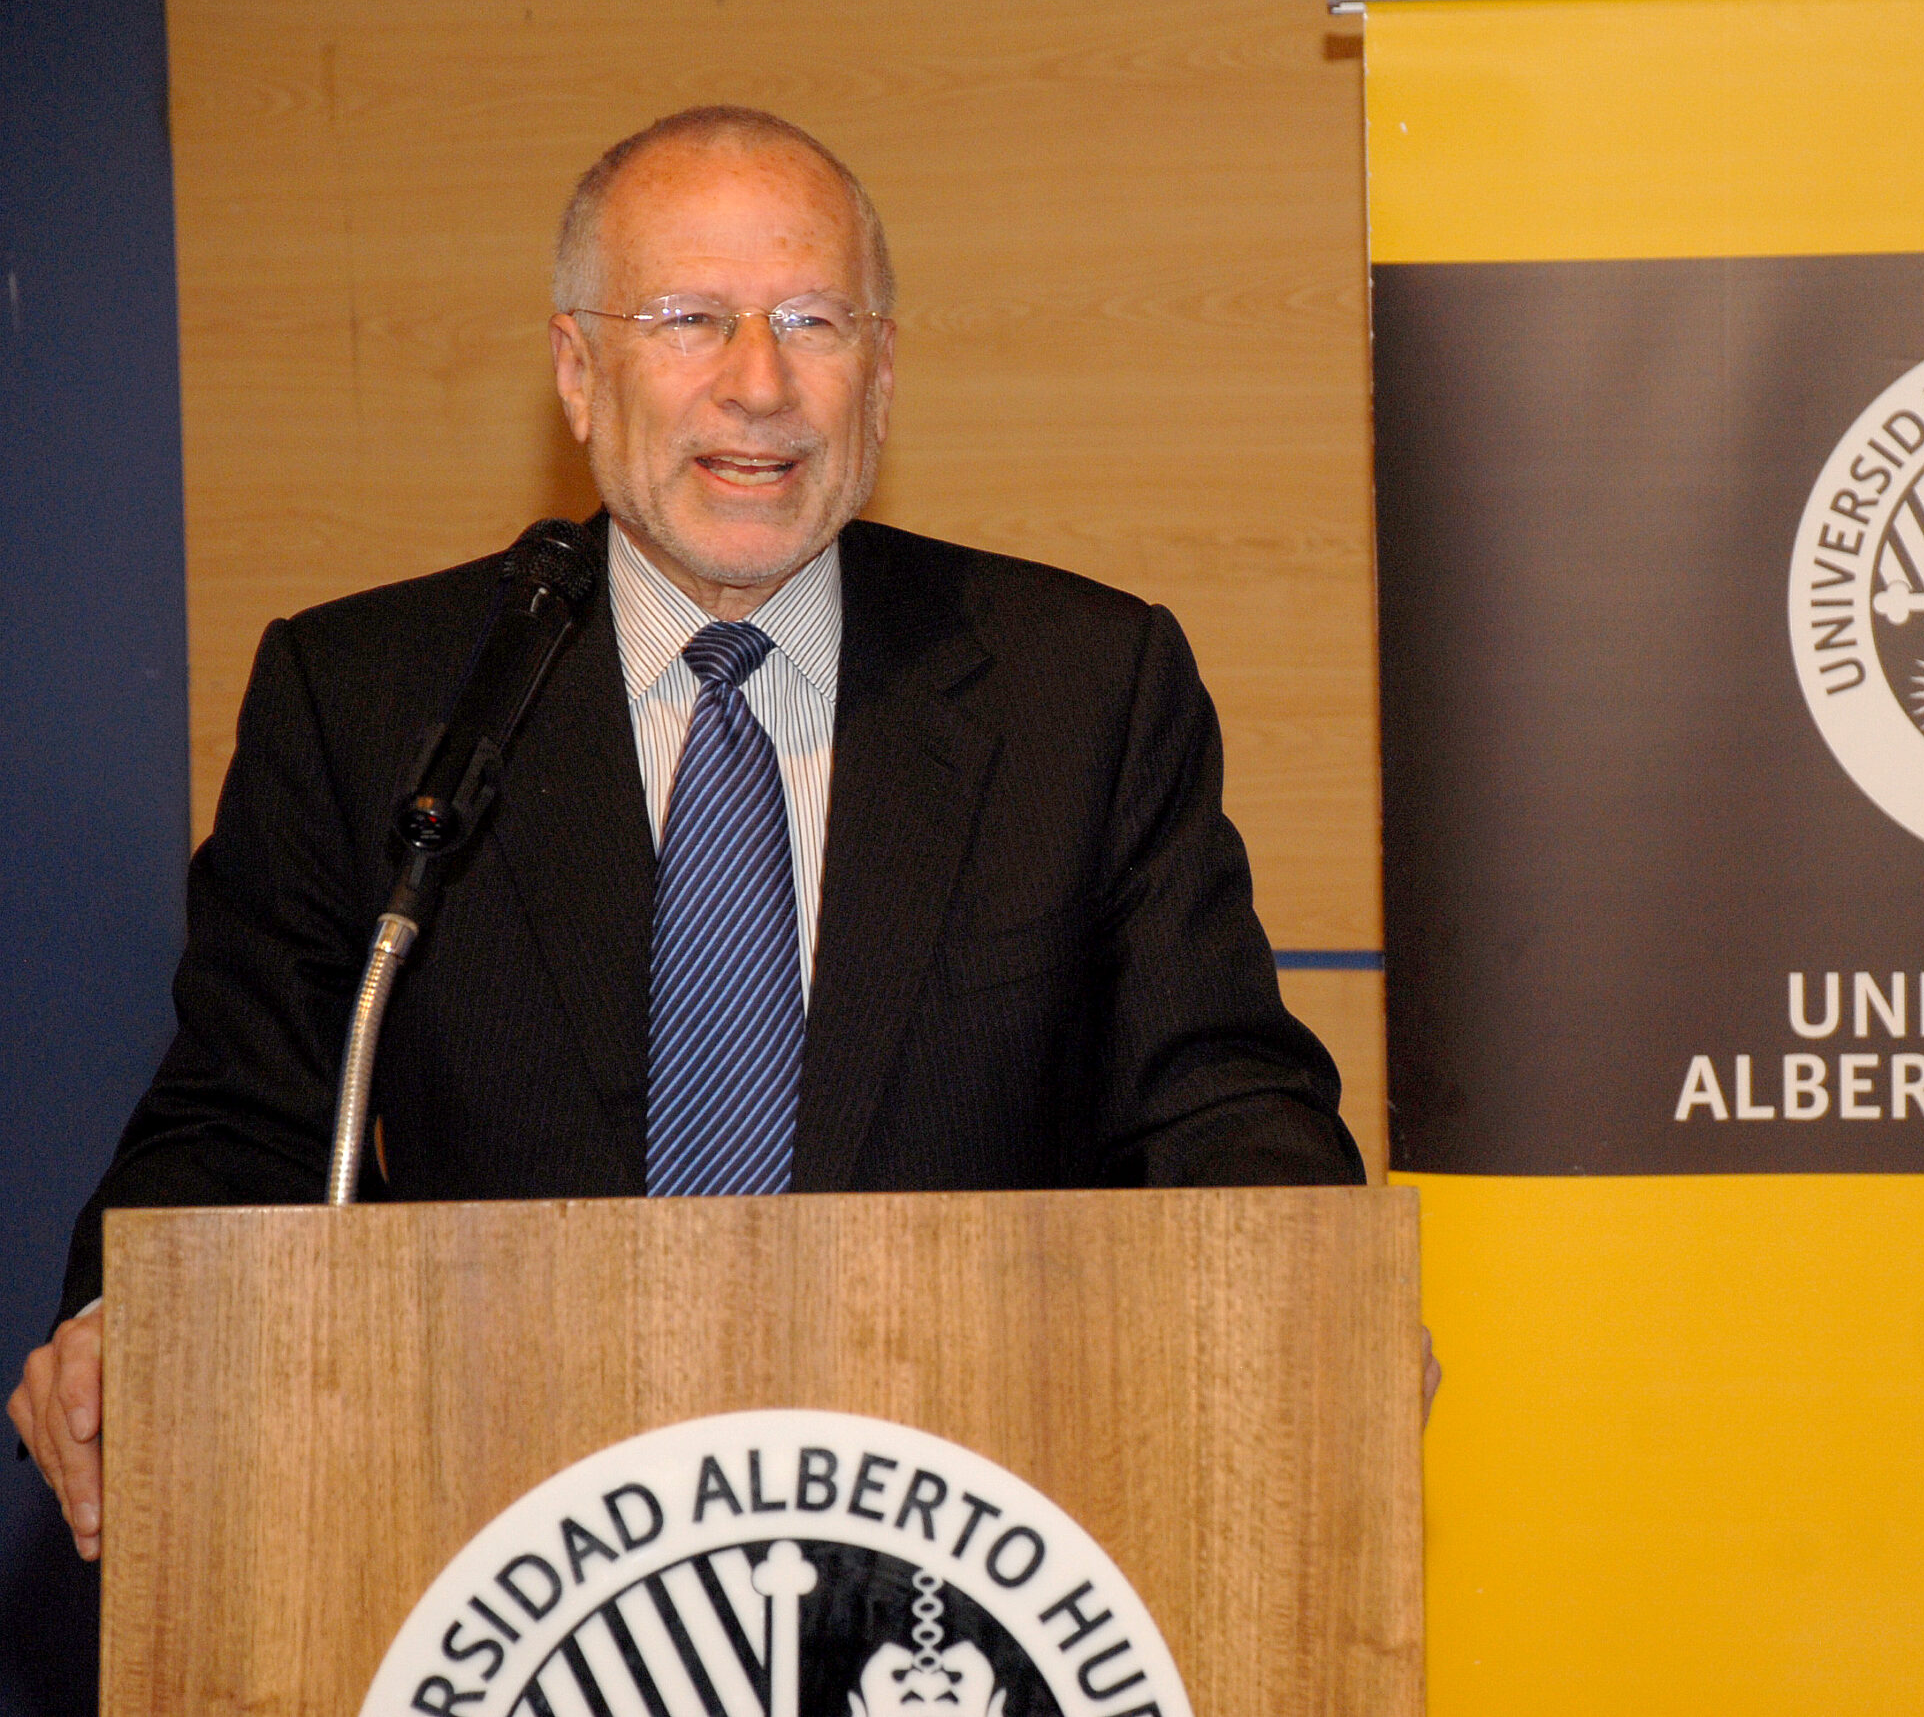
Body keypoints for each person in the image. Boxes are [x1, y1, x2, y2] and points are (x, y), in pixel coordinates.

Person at [9, 107, 1376, 1561]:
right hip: (508, 1550)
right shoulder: (370, 701)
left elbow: (1218, 1102)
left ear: (886, 372)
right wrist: (119, 1324)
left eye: (812, 319)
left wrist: (1312, 1300)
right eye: (687, 320)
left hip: (963, 1552)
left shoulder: (1083, 688)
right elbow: (252, 1118)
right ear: (577, 372)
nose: (761, 383)